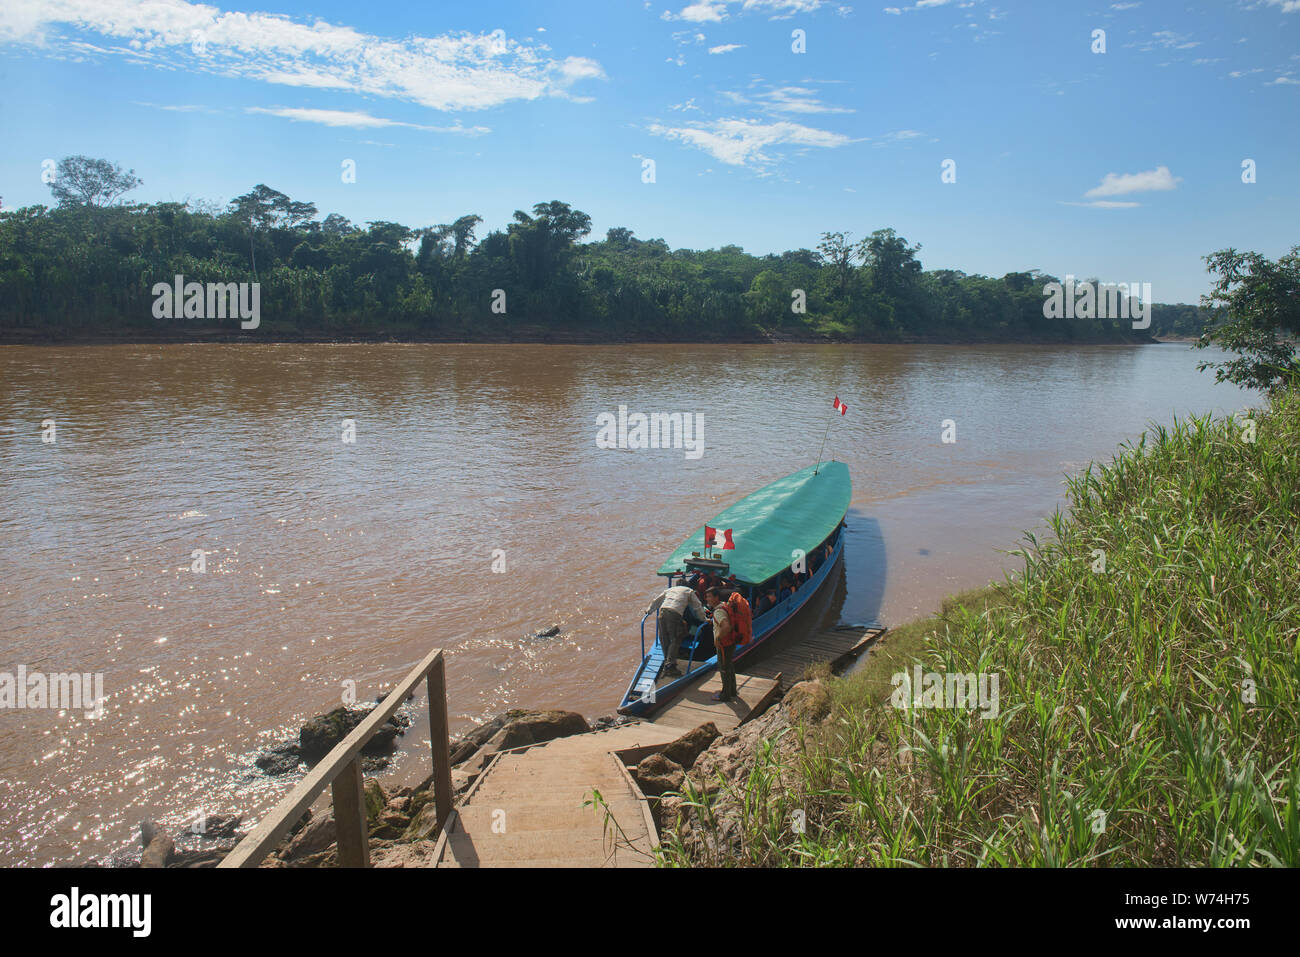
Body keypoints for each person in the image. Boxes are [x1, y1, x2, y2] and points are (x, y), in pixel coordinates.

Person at [645, 583, 707, 677]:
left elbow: (657, 600)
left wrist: (649, 610)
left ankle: (667, 662)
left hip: (662, 612)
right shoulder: (689, 591)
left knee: (664, 638)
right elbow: (697, 606)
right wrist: (704, 619)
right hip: (674, 613)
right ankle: (670, 666)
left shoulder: (670, 590)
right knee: (676, 638)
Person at [705, 586, 738, 702]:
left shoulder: (718, 611)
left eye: (709, 597)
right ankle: (733, 691)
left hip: (724, 644)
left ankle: (725, 695)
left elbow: (726, 626)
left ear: (716, 597)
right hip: (731, 641)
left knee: (724, 668)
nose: (707, 599)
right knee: (729, 665)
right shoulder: (725, 605)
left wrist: (717, 638)